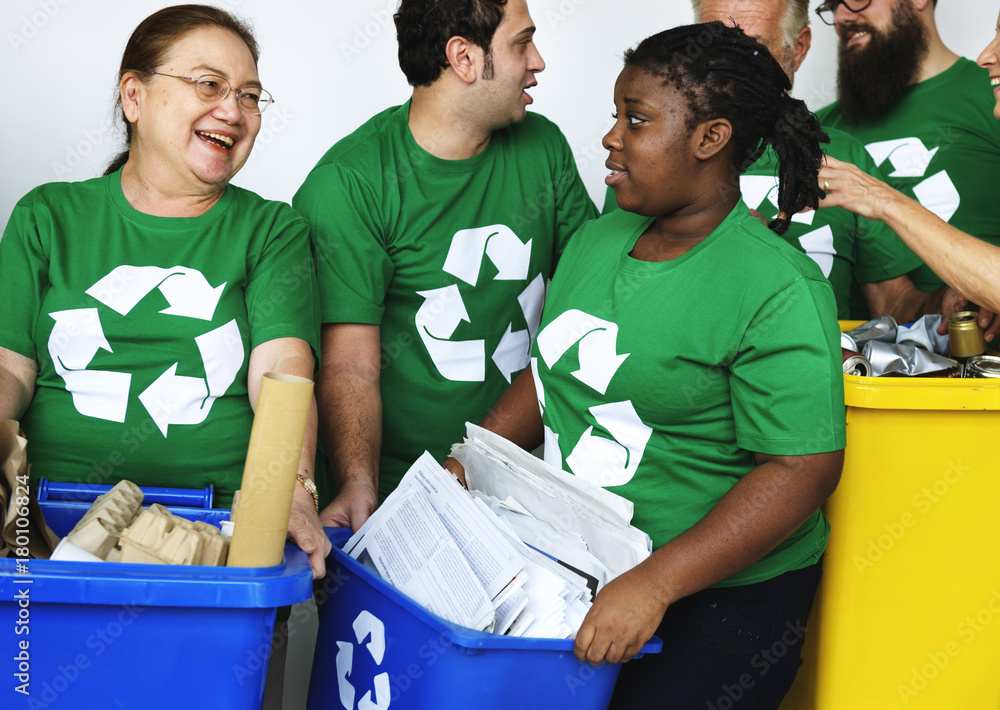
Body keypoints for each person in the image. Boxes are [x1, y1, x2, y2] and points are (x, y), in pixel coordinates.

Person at [448, 22, 845, 708]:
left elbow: (801, 470)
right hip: (587, 568)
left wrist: (658, 582)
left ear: (710, 138)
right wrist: (466, 462)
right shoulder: (598, 239)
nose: (611, 138)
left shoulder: (776, 286)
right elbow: (552, 378)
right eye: (615, 116)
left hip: (721, 604)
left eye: (637, 120)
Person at [0, 5, 330, 578]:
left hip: (218, 536)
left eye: (250, 95)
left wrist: (294, 489)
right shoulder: (46, 218)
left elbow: (282, 372)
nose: (233, 110)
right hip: (48, 528)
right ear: (135, 97)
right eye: (209, 84)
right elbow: (10, 369)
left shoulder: (271, 230)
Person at [293, 0, 598, 530]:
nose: (539, 61)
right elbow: (349, 364)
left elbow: (591, 294)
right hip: (400, 492)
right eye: (522, 43)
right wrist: (358, 483)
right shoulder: (349, 184)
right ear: (464, 57)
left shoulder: (543, 145)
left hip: (528, 480)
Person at [693, 0, 933, 323]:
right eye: (715, 43)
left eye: (753, 48)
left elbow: (894, 304)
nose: (728, 66)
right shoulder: (658, 153)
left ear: (799, 48)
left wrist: (950, 305)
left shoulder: (843, 155)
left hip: (826, 371)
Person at [819, 10, 1000, 329]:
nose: (843, 15)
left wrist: (883, 200)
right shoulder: (818, 132)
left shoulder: (988, 98)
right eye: (834, 4)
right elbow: (893, 305)